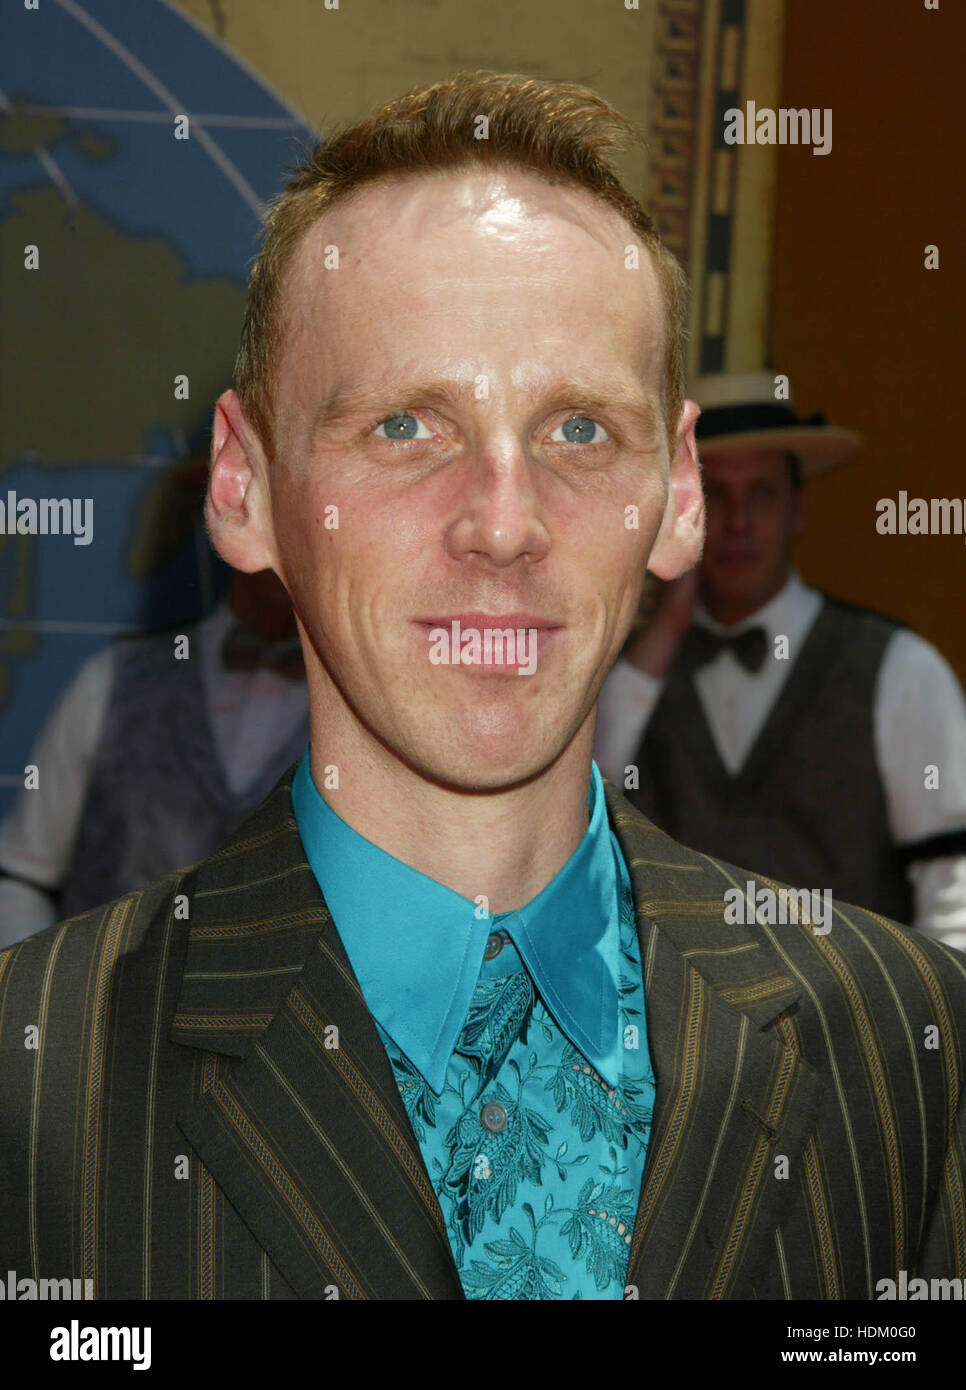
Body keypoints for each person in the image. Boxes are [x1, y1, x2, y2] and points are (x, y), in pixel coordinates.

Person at [0, 72, 963, 1302]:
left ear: (675, 495)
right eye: (406, 426)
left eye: (578, 431)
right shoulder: (36, 1091)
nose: (505, 527)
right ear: (243, 488)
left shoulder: (909, 1054)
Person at [594, 371, 966, 951]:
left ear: (798, 509)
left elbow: (953, 887)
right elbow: (586, 804)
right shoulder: (633, 669)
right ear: (685, 508)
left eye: (762, 494)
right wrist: (664, 623)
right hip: (676, 1030)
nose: (739, 522)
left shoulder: (897, 666)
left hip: (856, 1029)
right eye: (717, 495)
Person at [0, 560, 310, 945]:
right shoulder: (110, 682)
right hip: (102, 999)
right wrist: (47, 995)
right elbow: (24, 876)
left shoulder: (365, 715)